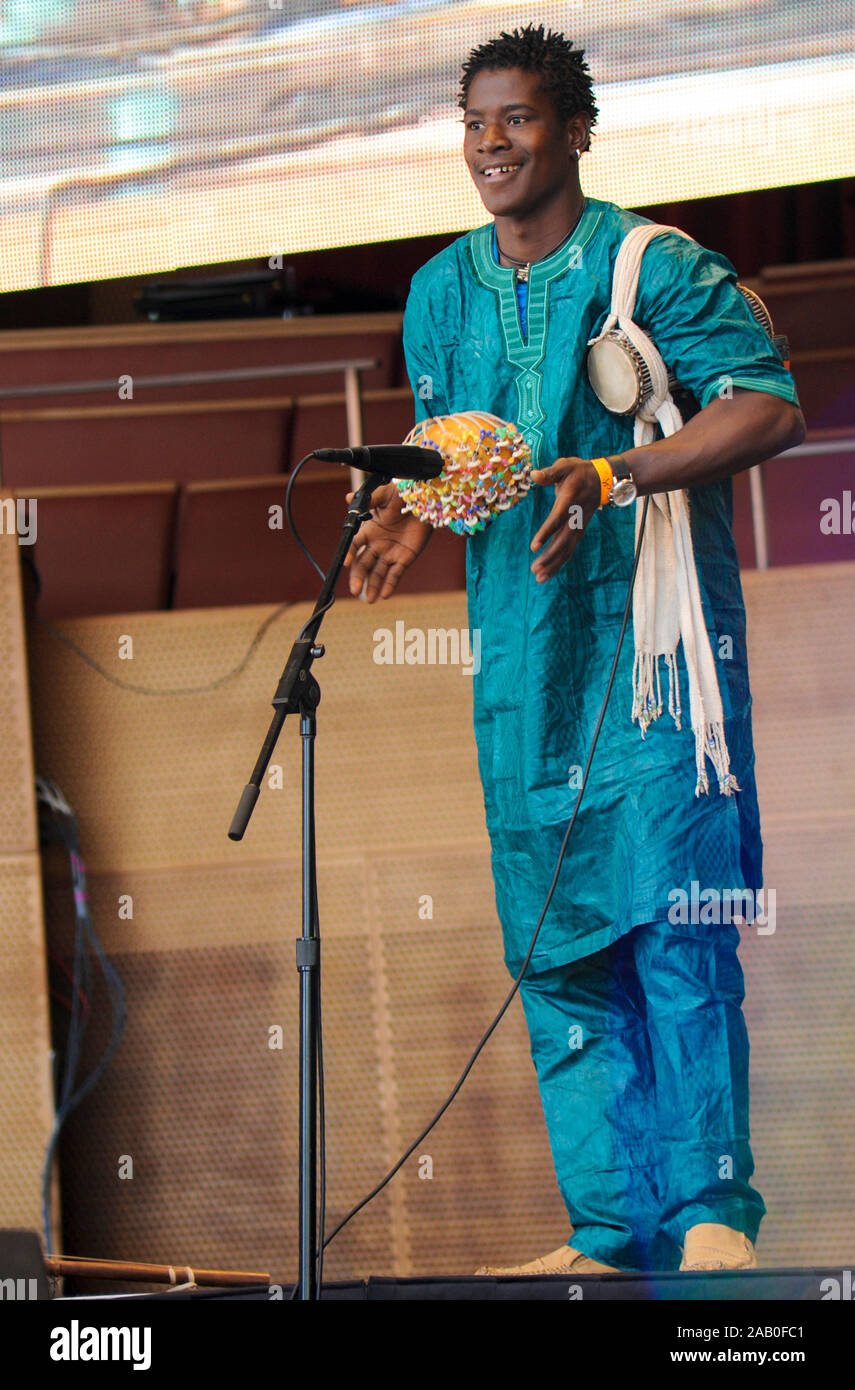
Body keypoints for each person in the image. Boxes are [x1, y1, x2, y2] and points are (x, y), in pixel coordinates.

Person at [345, 24, 805, 1274]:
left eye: (520, 120)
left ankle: (714, 1219)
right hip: (521, 670)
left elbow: (769, 404)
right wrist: (405, 503)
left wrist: (615, 469)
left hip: (652, 656)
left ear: (577, 130)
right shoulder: (441, 292)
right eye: (476, 122)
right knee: (556, 949)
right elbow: (462, 447)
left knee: (673, 925)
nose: (492, 144)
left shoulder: (656, 264)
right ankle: (609, 1233)